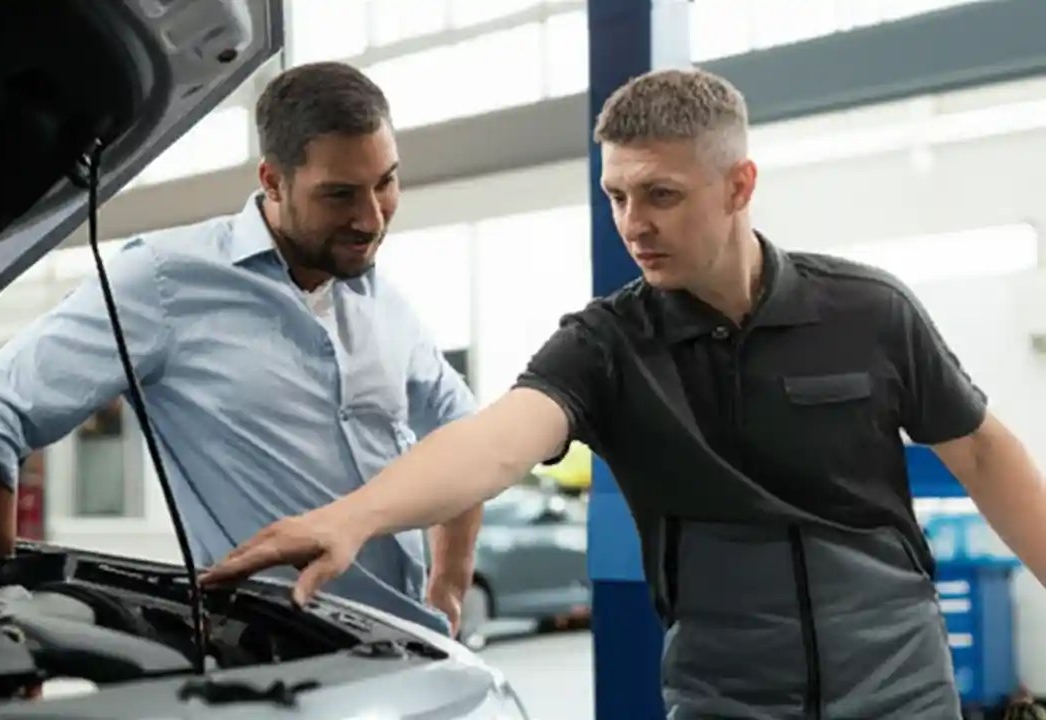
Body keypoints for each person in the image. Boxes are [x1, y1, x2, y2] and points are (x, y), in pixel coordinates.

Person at [200, 68, 1046, 717]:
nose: (633, 222)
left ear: (740, 186)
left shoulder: (869, 311)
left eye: (662, 195)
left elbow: (980, 449)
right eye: (617, 195)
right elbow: (497, 440)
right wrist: (360, 514)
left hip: (902, 690)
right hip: (727, 701)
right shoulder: (608, 345)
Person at [0, 61, 482, 637]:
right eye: (339, 194)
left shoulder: (383, 300)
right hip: (285, 663)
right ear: (272, 181)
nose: (371, 218)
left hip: (416, 652)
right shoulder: (165, 282)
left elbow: (465, 431)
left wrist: (448, 581)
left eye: (386, 182)